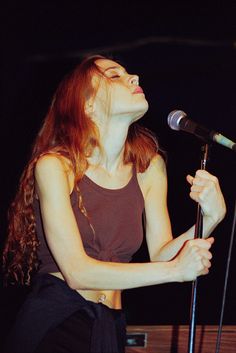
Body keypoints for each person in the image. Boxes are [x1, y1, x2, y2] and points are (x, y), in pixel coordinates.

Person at [2, 55, 226, 353]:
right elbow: (76, 272)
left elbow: (162, 254)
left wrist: (210, 218)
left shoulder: (149, 167)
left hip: (110, 325)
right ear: (87, 104)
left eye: (128, 72)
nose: (133, 77)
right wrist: (175, 270)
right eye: (114, 75)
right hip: (57, 321)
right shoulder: (56, 166)